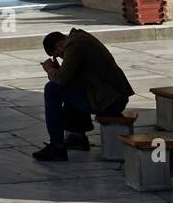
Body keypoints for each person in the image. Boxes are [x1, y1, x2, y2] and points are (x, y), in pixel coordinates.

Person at [32, 28, 133, 162]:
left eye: (58, 55)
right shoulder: (80, 39)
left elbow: (62, 78)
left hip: (109, 100)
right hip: (113, 97)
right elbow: (72, 77)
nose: (61, 57)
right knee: (69, 88)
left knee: (51, 89)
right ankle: (77, 136)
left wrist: (50, 70)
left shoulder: (74, 45)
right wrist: (58, 70)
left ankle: (57, 145)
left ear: (59, 45)